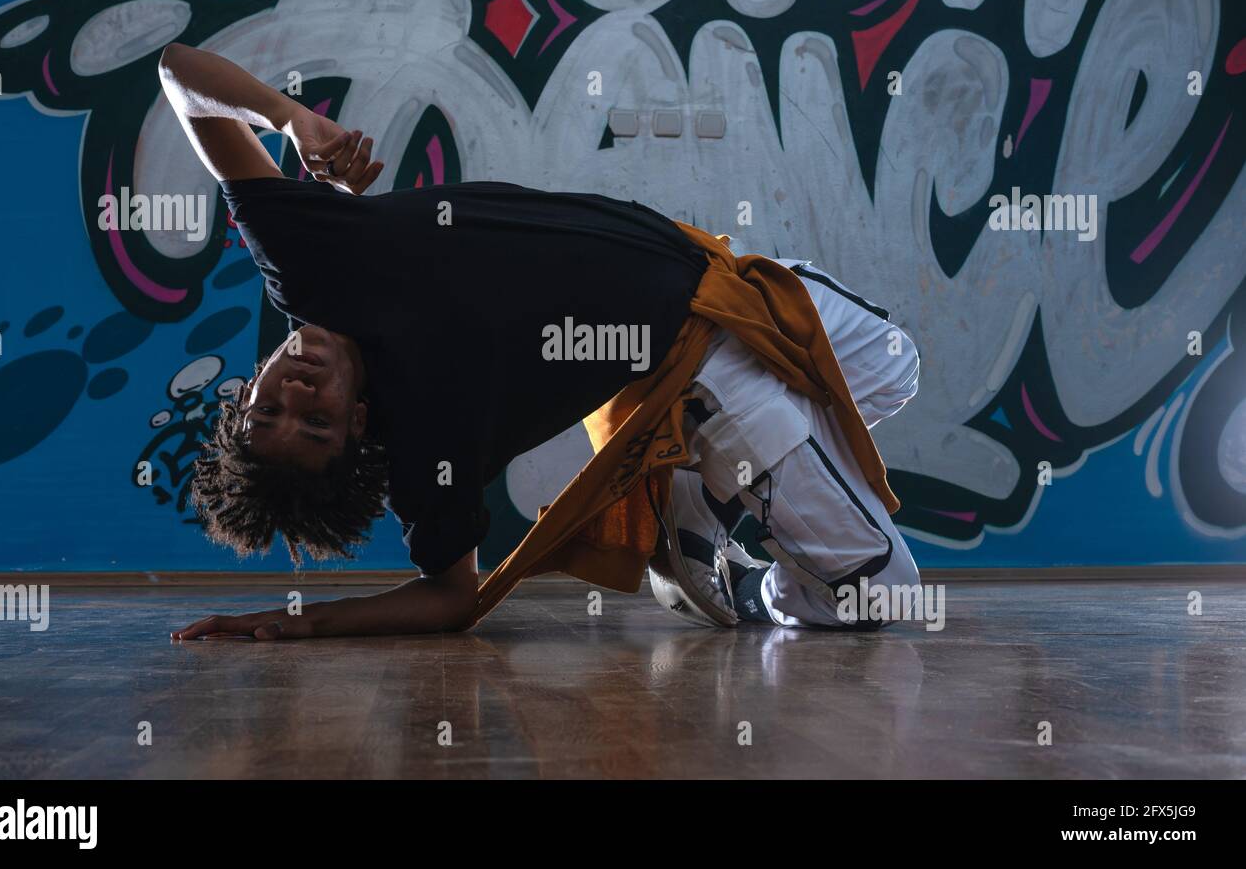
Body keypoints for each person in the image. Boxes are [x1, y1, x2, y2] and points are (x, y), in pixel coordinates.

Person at [157, 43, 918, 641]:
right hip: (701, 368)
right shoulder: (425, 438)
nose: (295, 394)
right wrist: (308, 623)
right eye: (316, 423)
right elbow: (452, 596)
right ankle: (750, 576)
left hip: (725, 280)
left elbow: (181, 74)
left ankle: (690, 493)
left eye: (265, 412)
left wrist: (289, 118)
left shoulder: (306, 259)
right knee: (879, 592)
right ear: (356, 423)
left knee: (894, 365)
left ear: (248, 388)